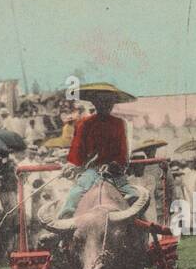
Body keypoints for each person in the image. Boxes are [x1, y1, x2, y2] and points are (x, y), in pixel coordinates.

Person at [56, 82, 141, 219]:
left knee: (136, 198)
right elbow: (78, 151)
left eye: (109, 102)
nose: (106, 105)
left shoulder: (119, 123)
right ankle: (63, 226)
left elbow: (122, 151)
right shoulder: (84, 123)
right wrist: (72, 166)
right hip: (92, 171)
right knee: (73, 197)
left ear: (113, 104)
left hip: (114, 172)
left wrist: (116, 165)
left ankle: (143, 229)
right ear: (95, 103)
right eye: (102, 101)